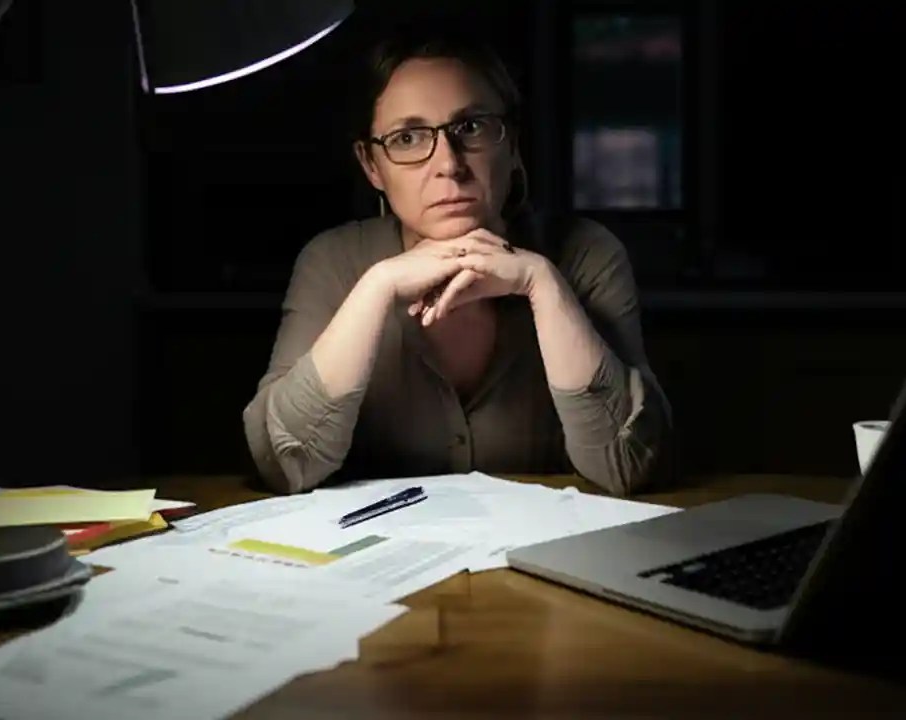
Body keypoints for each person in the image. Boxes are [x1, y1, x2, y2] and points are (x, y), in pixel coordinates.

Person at [243, 28, 672, 496]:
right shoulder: (332, 262)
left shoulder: (586, 253)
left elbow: (625, 467)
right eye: (407, 137)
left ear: (511, 145)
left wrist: (541, 282)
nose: (448, 163)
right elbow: (286, 468)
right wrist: (379, 286)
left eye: (470, 127)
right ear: (372, 166)